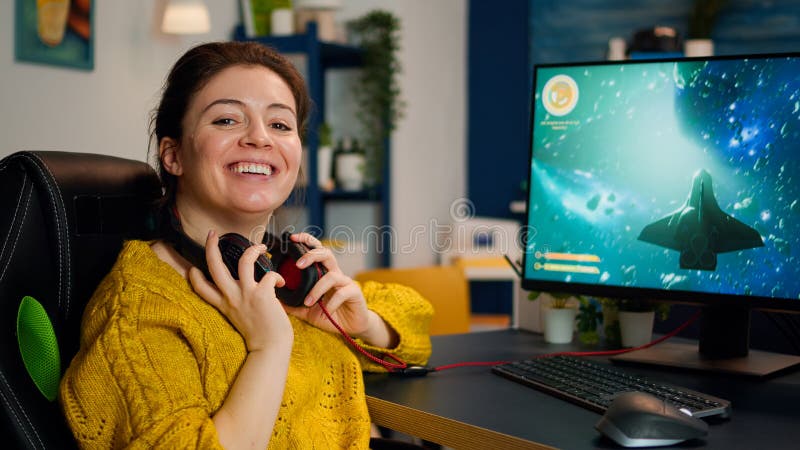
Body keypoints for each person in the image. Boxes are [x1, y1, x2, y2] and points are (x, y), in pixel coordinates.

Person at [59, 41, 433, 449]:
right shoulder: (137, 312)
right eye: (226, 120)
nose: (259, 138)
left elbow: (414, 325)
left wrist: (363, 324)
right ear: (173, 155)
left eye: (280, 125)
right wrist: (268, 346)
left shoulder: (283, 272)